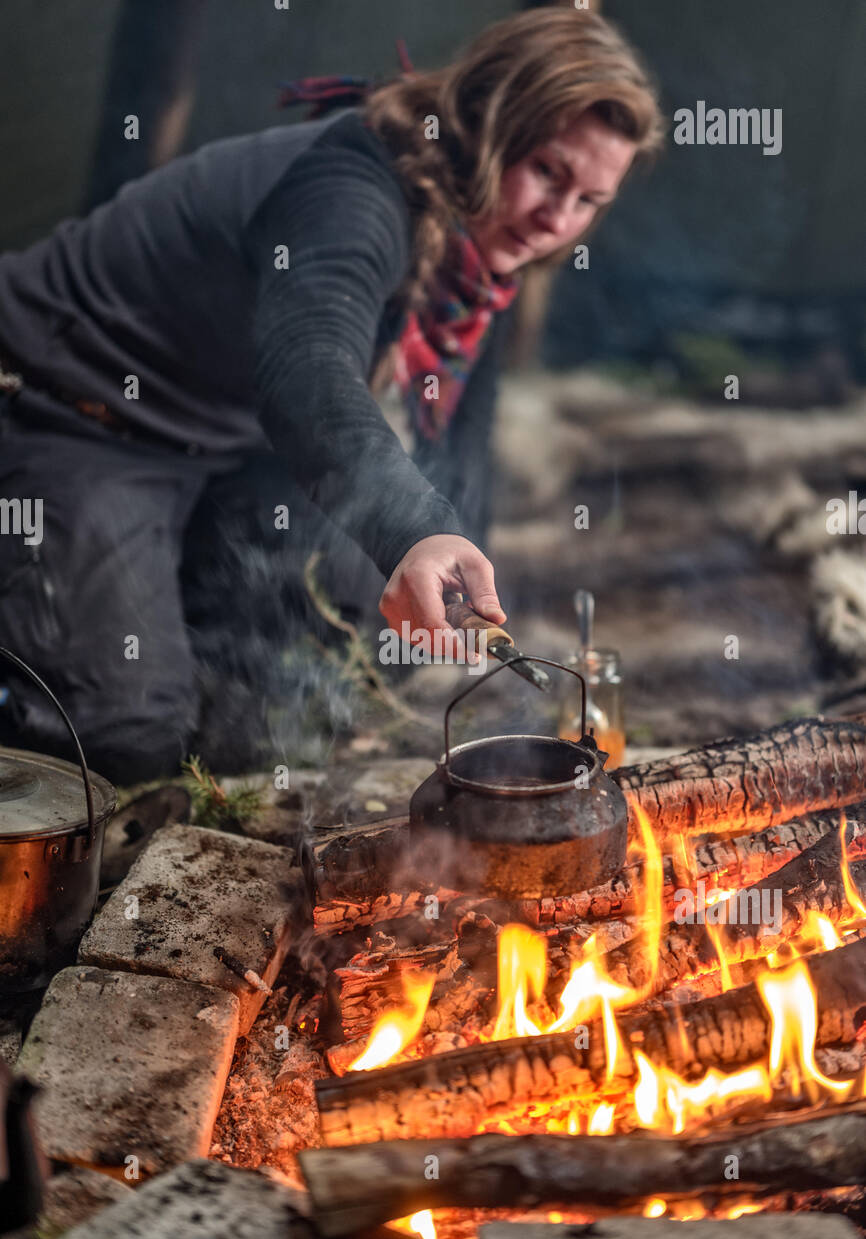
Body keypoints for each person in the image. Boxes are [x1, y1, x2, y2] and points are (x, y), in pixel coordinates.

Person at [0, 7, 663, 784]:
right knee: (126, 728)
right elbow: (308, 365)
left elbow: (455, 450)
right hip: (67, 414)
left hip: (216, 448)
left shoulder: (479, 253)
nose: (557, 218)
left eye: (589, 200)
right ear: (485, 122)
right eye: (549, 171)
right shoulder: (355, 188)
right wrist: (414, 532)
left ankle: (144, 647)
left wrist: (462, 579)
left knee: (351, 638)